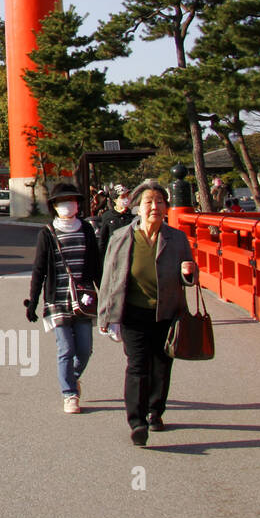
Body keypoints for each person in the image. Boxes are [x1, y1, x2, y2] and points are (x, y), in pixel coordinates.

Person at [98, 180, 198, 447]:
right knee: (138, 366)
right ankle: (137, 422)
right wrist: (106, 317)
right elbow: (109, 278)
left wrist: (189, 273)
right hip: (133, 313)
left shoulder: (177, 239)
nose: (155, 207)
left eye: (160, 202)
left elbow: (191, 276)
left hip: (167, 312)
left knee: (162, 366)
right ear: (137, 208)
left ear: (166, 207)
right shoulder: (121, 238)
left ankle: (156, 411)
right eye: (148, 202)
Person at [25, 182, 103, 415]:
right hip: (57, 298)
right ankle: (70, 394)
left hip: (83, 298)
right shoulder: (47, 233)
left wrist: (107, 294)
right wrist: (33, 301)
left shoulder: (87, 230)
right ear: (54, 206)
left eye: (71, 200)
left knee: (85, 349)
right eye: (62, 202)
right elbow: (39, 269)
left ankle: (72, 377)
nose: (67, 205)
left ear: (78, 204)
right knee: (66, 349)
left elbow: (96, 266)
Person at [96, 185, 133, 254]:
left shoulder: (133, 215)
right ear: (115, 200)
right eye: (122, 196)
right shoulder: (108, 216)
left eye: (127, 195)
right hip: (113, 255)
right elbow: (102, 241)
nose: (126, 199)